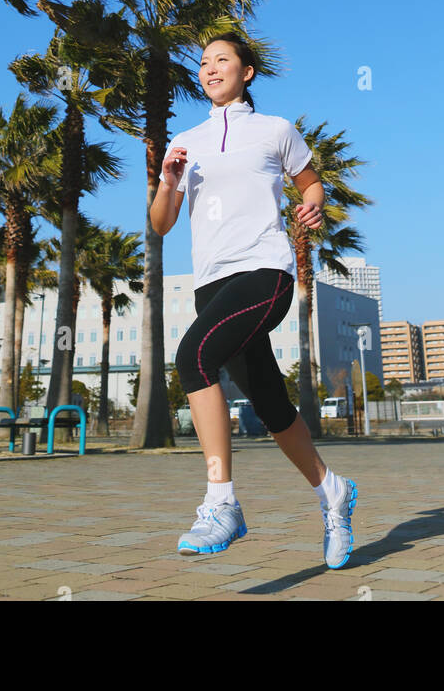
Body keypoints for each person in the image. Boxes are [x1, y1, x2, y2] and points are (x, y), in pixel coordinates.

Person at [150, 32, 357, 570]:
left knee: (193, 358)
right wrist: (168, 183)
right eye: (203, 62)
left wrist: (311, 207)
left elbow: (311, 184)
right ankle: (332, 491)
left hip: (265, 271)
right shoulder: (186, 139)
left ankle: (222, 504)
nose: (209, 68)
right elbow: (160, 224)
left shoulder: (275, 130)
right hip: (211, 284)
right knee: (270, 405)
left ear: (246, 72)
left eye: (222, 60)